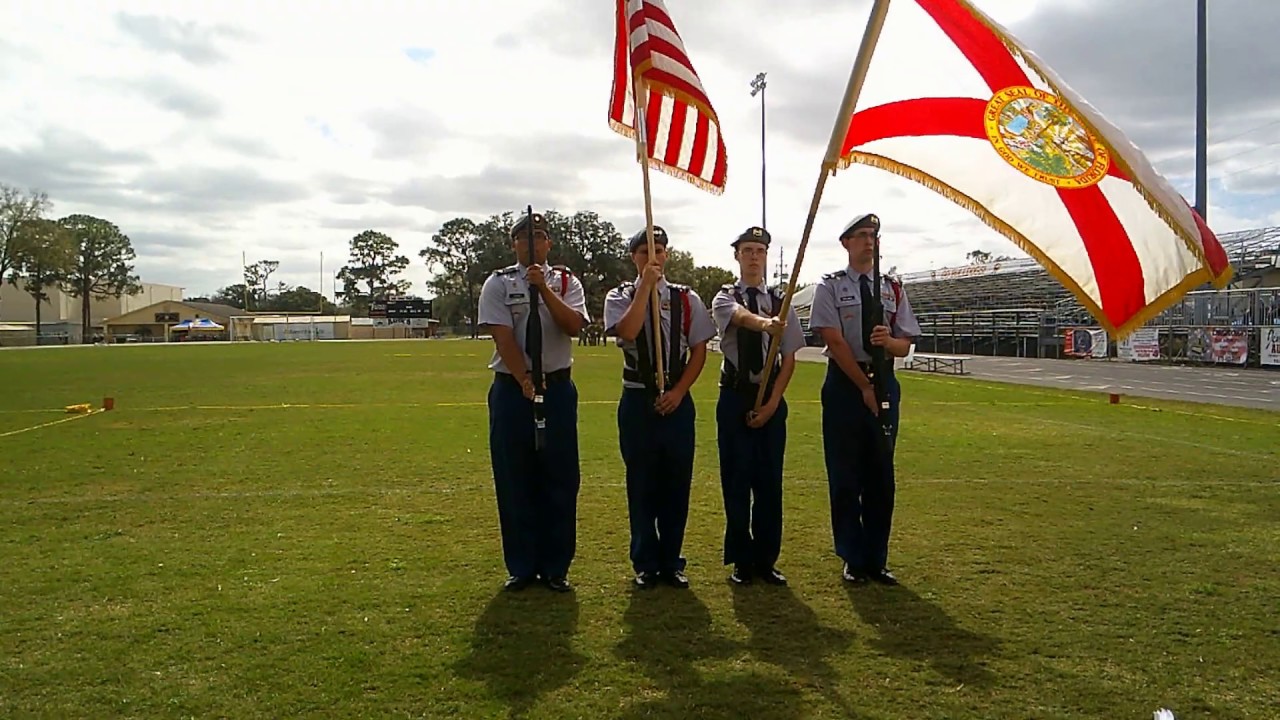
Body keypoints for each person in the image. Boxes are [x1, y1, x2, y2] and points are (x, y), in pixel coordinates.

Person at [477, 210, 589, 593]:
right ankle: (522, 566)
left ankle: (556, 567)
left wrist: (544, 289)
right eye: (524, 237)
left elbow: (573, 325)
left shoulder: (566, 281)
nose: (532, 243)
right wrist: (524, 379)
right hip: (512, 389)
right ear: (514, 244)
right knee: (515, 478)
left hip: (557, 388)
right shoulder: (498, 282)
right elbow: (502, 335)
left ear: (548, 243)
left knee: (560, 477)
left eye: (539, 236)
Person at [807, 213, 921, 586]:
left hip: (884, 379)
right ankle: (852, 558)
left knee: (880, 476)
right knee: (845, 476)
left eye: (873, 235)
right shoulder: (829, 286)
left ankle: (876, 559)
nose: (869, 241)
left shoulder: (893, 288)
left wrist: (889, 342)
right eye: (861, 235)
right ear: (846, 243)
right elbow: (833, 340)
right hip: (846, 383)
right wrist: (863, 387)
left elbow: (906, 344)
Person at [603, 225, 717, 589]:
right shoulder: (620, 295)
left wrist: (680, 391)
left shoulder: (686, 298)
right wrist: (645, 289)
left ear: (667, 255)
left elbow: (699, 349)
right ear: (634, 257)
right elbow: (627, 331)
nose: (653, 257)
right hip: (638, 399)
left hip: (677, 399)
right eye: (644, 252)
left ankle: (671, 560)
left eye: (659, 251)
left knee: (676, 484)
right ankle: (645, 562)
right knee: (641, 483)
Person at [710, 226, 805, 586]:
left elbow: (790, 357)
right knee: (736, 481)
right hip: (735, 396)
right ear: (737, 256)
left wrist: (772, 403)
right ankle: (741, 559)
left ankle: (766, 559)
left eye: (760, 251)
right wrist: (767, 324)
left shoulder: (782, 300)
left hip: (770, 398)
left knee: (768, 483)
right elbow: (739, 317)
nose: (754, 257)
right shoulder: (725, 297)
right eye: (747, 250)